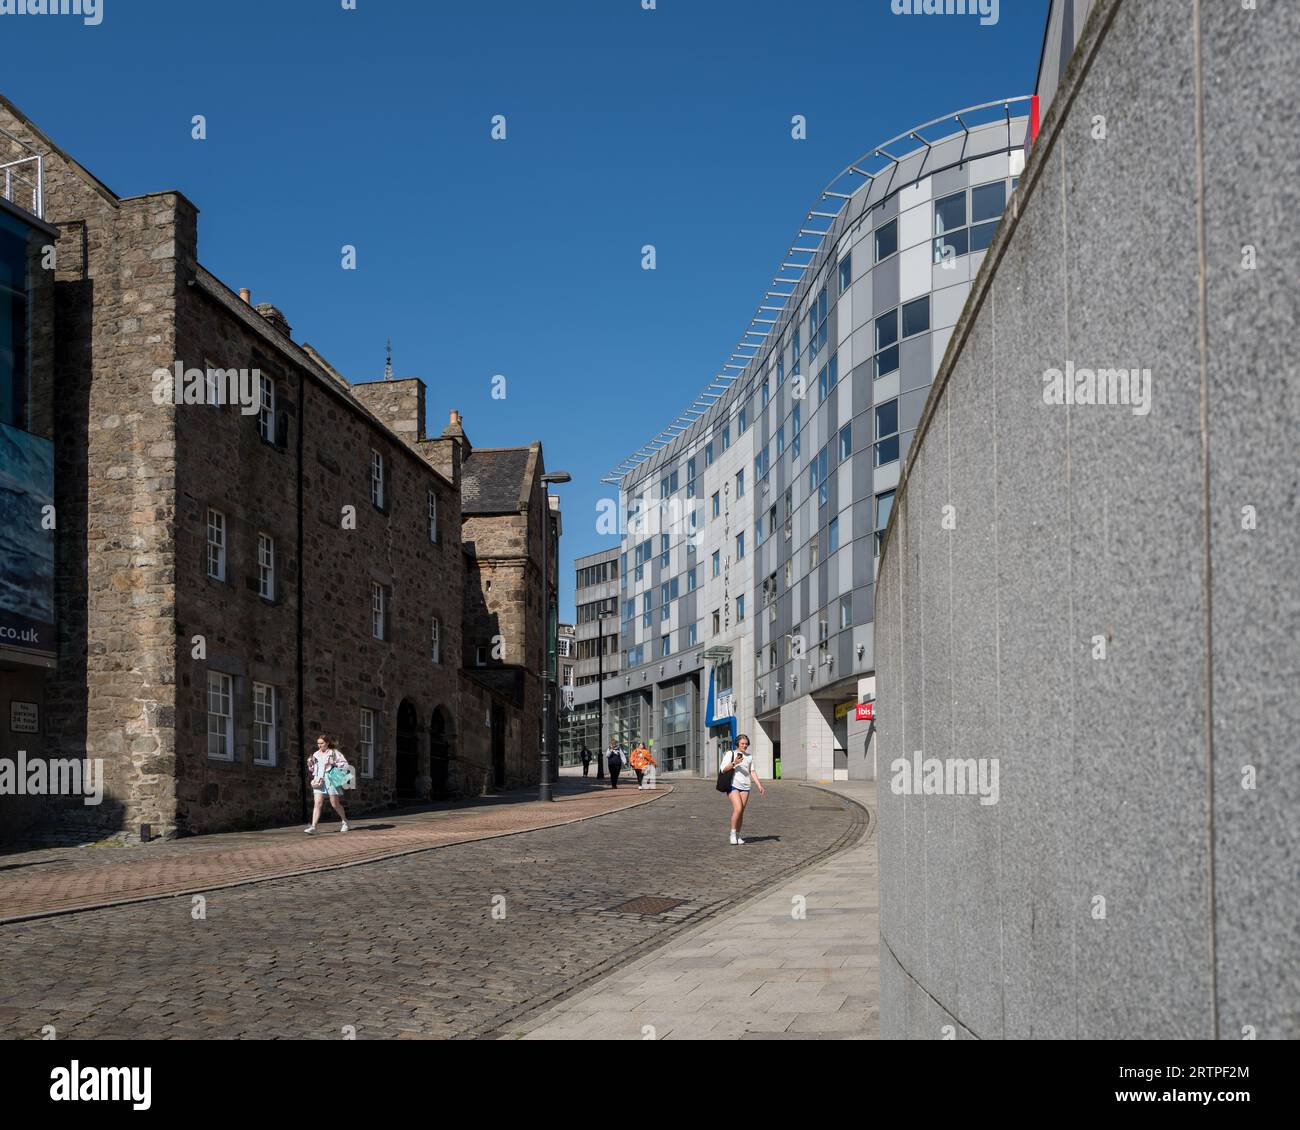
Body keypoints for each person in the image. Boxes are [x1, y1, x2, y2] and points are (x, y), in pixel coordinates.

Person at [720, 733, 764, 845]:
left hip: (746, 787)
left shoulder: (749, 757)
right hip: (733, 785)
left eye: (746, 744)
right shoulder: (730, 754)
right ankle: (732, 834)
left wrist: (759, 785)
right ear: (737, 744)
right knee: (738, 809)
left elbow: (752, 771)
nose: (744, 745)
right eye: (742, 743)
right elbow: (723, 770)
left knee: (741, 812)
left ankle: (738, 835)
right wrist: (735, 762)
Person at [305, 734, 352, 834]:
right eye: (318, 743)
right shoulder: (315, 754)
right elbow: (313, 769)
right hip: (319, 780)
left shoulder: (334, 753)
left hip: (331, 779)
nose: (319, 745)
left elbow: (345, 765)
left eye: (321, 743)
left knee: (334, 804)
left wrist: (334, 763)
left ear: (327, 743)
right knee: (317, 803)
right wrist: (310, 764)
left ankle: (345, 821)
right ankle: (313, 827)